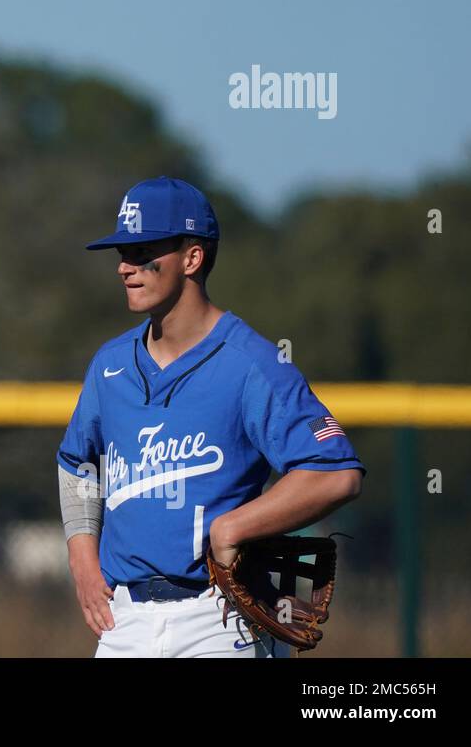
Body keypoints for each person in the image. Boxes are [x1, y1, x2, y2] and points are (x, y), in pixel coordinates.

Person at [56, 177, 363, 657]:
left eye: (142, 251)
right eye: (122, 252)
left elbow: (335, 473)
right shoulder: (109, 365)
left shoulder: (250, 363)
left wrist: (233, 527)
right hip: (125, 619)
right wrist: (81, 558)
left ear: (192, 258)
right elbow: (77, 463)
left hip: (218, 619)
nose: (124, 267)